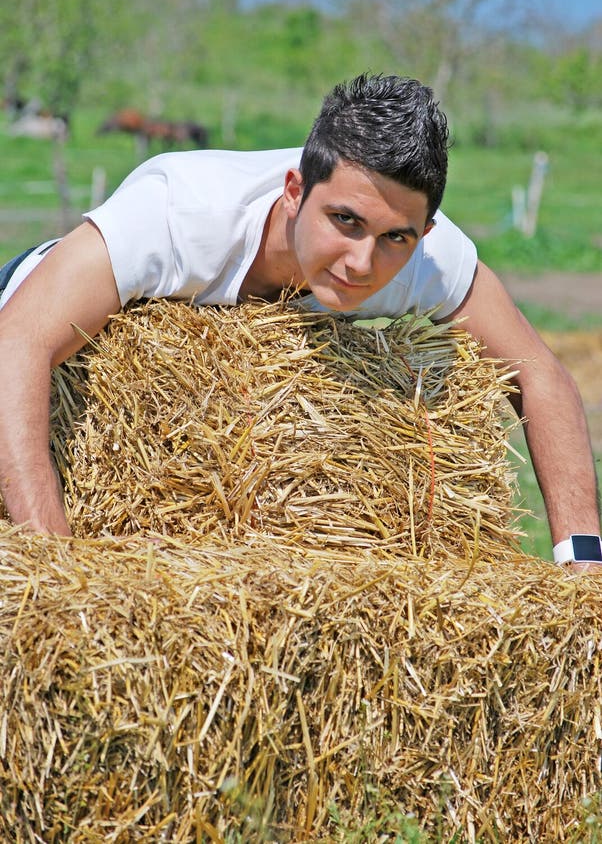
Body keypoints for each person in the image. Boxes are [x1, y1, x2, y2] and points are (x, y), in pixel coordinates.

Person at [0, 73, 600, 570]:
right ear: (294, 190)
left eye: (396, 237)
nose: (363, 263)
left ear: (426, 234)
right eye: (344, 221)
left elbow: (540, 374)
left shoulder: (424, 260)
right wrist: (58, 572)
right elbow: (19, 343)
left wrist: (583, 562)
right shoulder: (179, 211)